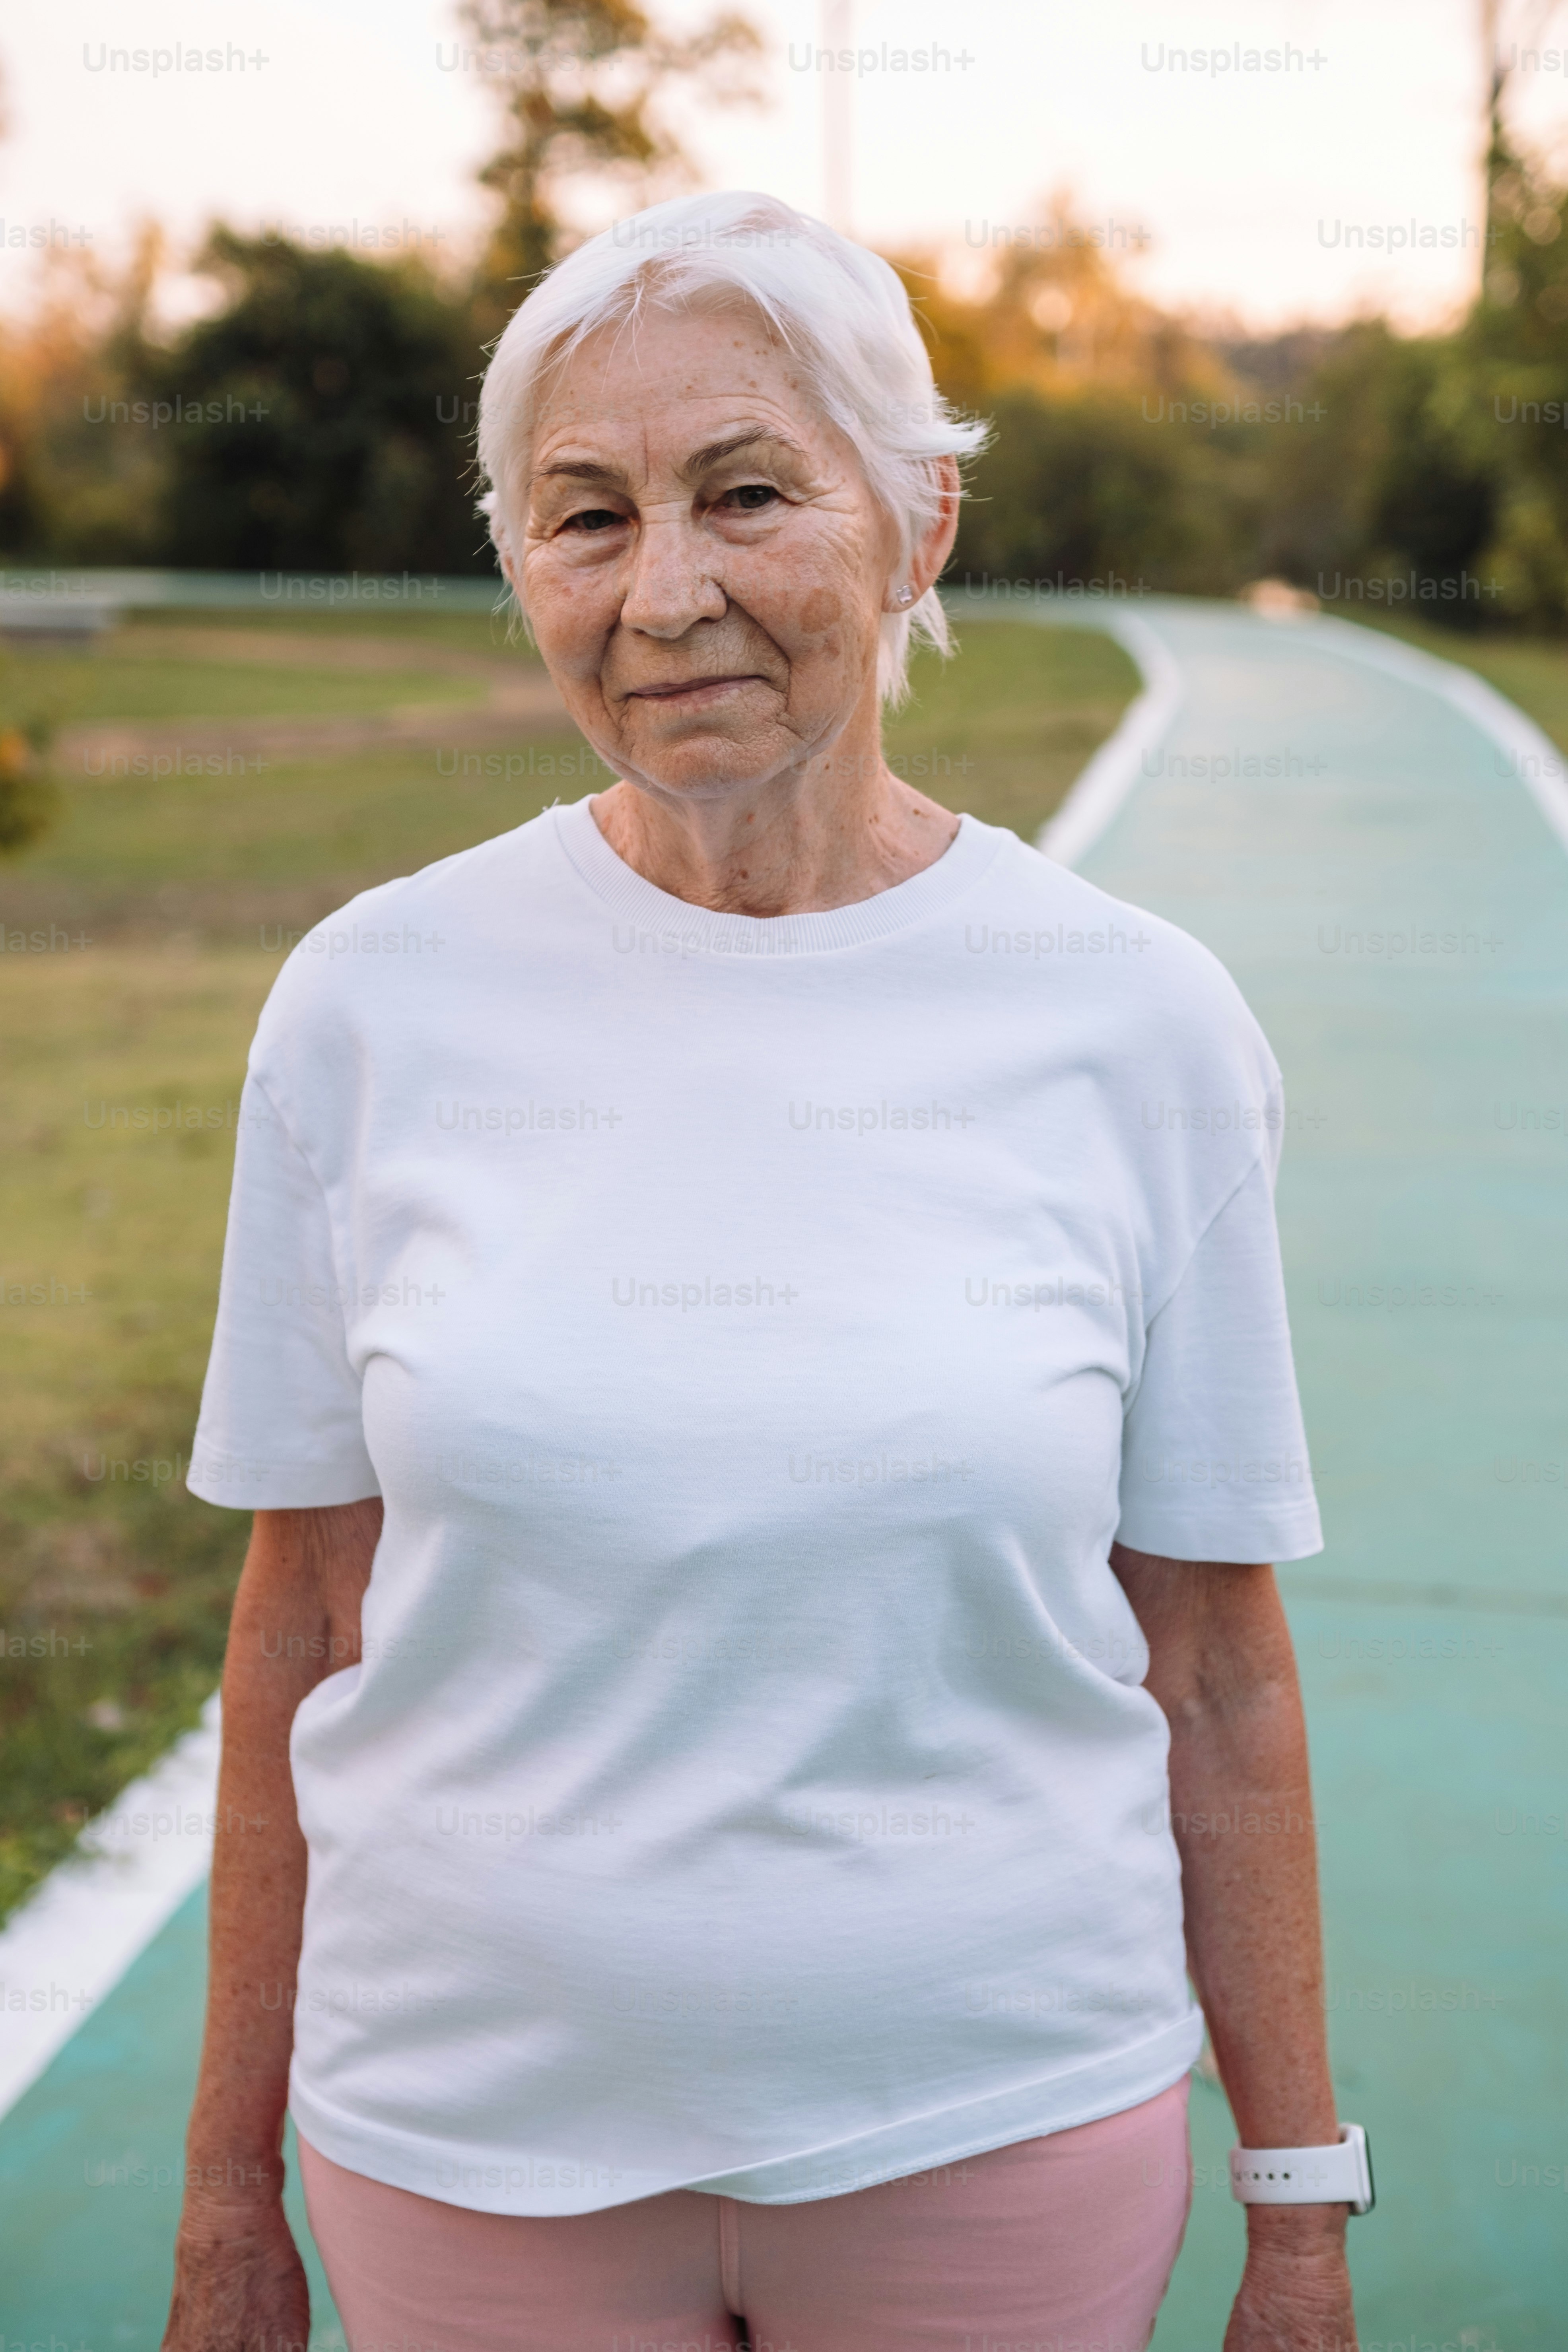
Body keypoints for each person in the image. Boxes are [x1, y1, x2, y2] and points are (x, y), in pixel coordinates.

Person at [163, 189, 1359, 2352]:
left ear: (918, 527)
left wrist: (1297, 2211)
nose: (667, 592)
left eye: (745, 495)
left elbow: (1211, 1665)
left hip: (997, 2132)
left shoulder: (1134, 1021)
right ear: (518, 562)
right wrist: (224, 2197)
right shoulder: (371, 1000)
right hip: (457, 2153)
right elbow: (302, 1625)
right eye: (584, 515)